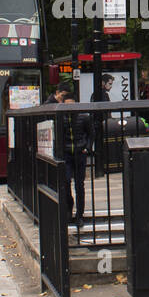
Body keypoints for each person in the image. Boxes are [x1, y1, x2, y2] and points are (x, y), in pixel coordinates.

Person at [59, 91, 91, 227]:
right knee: (66, 181)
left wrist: (87, 148)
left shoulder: (84, 117)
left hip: (80, 153)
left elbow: (91, 134)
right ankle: (69, 207)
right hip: (67, 154)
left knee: (79, 184)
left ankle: (79, 215)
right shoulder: (61, 119)